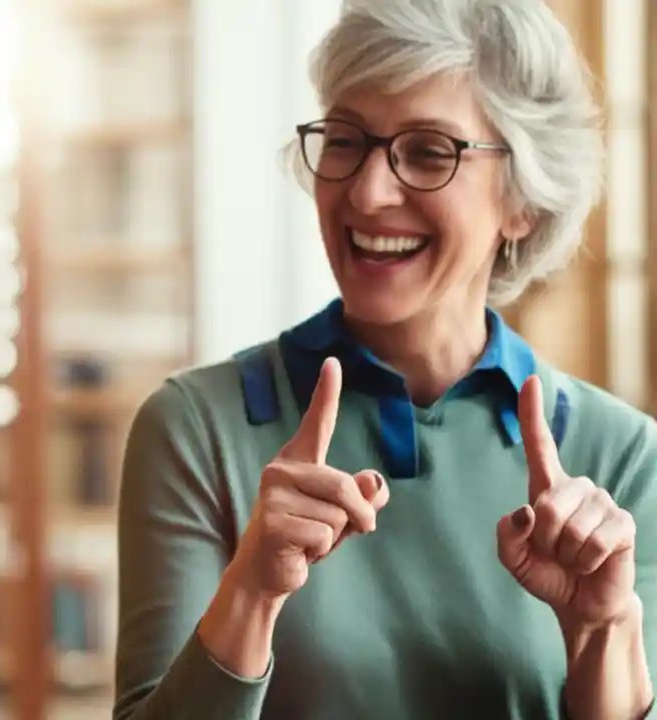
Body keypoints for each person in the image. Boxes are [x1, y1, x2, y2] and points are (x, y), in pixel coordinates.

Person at [114, 0, 656, 718]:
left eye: (430, 151)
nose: (367, 194)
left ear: (523, 199)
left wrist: (601, 629)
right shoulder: (195, 428)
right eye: (344, 140)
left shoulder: (621, 455)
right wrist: (252, 590)